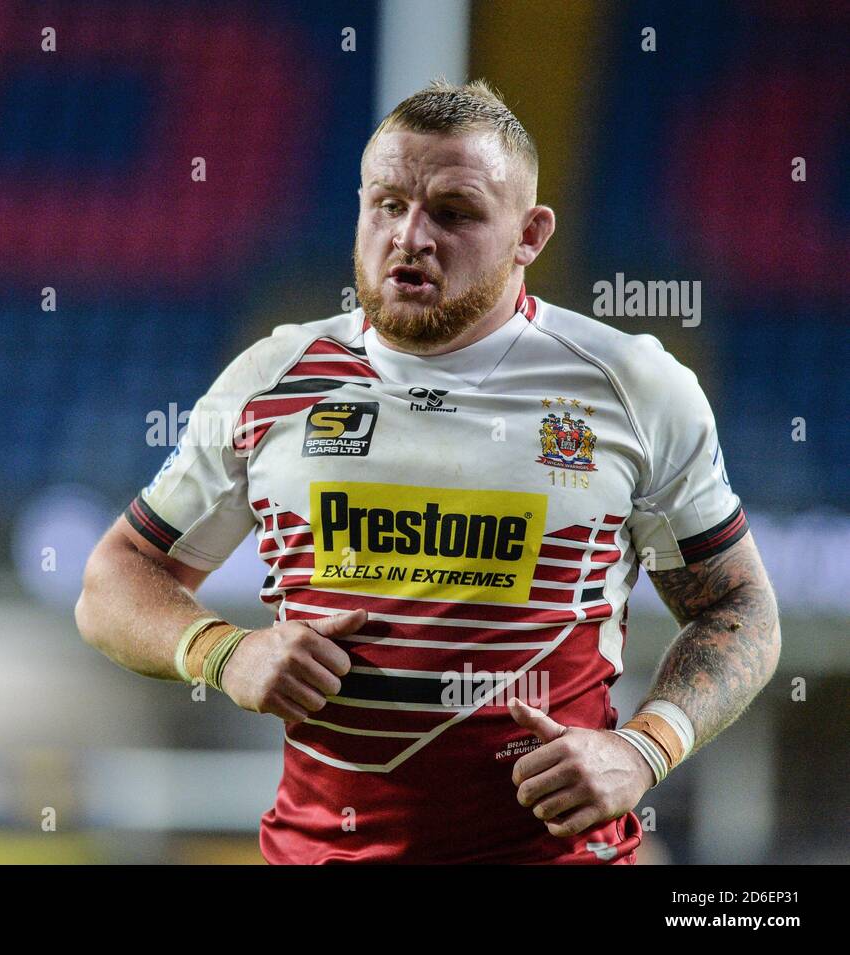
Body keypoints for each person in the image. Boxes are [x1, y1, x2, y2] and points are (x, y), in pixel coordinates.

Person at [75, 79, 781, 864]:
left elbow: (739, 607)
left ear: (530, 234)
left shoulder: (633, 387)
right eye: (387, 204)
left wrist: (645, 748)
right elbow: (114, 579)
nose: (410, 236)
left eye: (453, 212)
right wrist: (222, 651)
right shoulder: (272, 378)